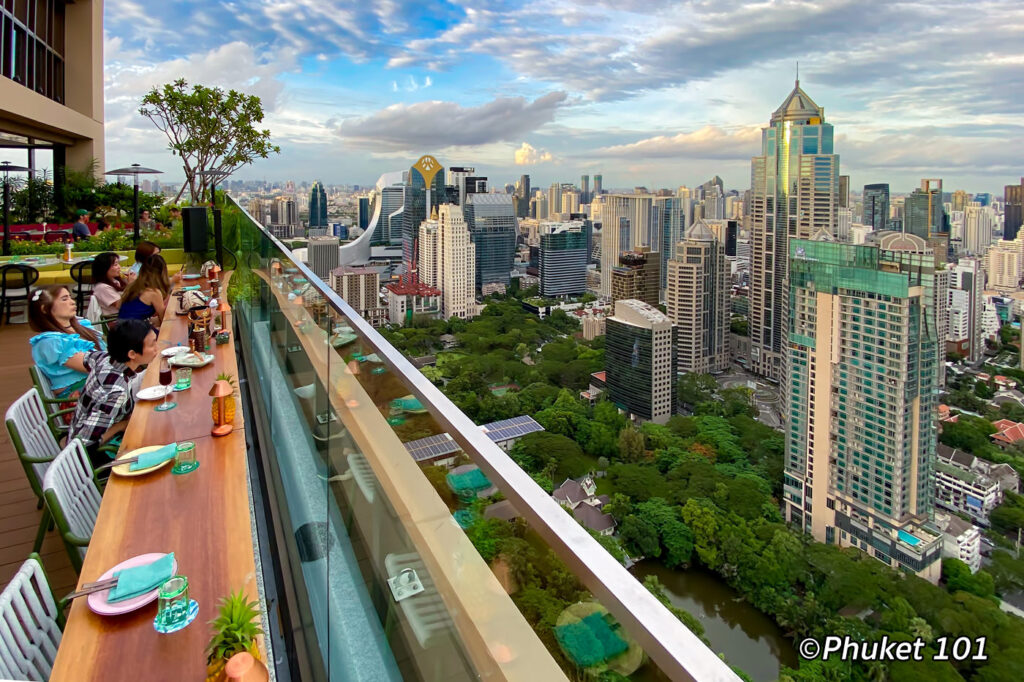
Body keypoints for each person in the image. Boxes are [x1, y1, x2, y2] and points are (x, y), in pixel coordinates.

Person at [68, 319, 157, 466]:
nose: (157, 348)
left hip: (77, 428)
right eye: (152, 343)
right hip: (90, 461)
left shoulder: (103, 358)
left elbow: (86, 360)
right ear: (132, 354)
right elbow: (85, 445)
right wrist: (122, 425)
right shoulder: (116, 393)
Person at [29, 285, 106, 399]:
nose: (72, 302)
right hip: (81, 402)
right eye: (64, 299)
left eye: (70, 297)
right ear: (45, 309)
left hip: (101, 387)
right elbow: (94, 365)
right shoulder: (51, 342)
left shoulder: (80, 326)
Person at [119, 254, 171, 326]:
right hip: (134, 333)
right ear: (162, 272)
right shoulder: (154, 292)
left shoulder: (132, 286)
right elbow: (164, 320)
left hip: (120, 331)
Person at [91, 252, 128, 317]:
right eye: (115, 264)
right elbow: (121, 306)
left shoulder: (115, 281)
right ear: (104, 268)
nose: (119, 267)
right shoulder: (102, 287)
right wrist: (131, 285)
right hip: (116, 320)